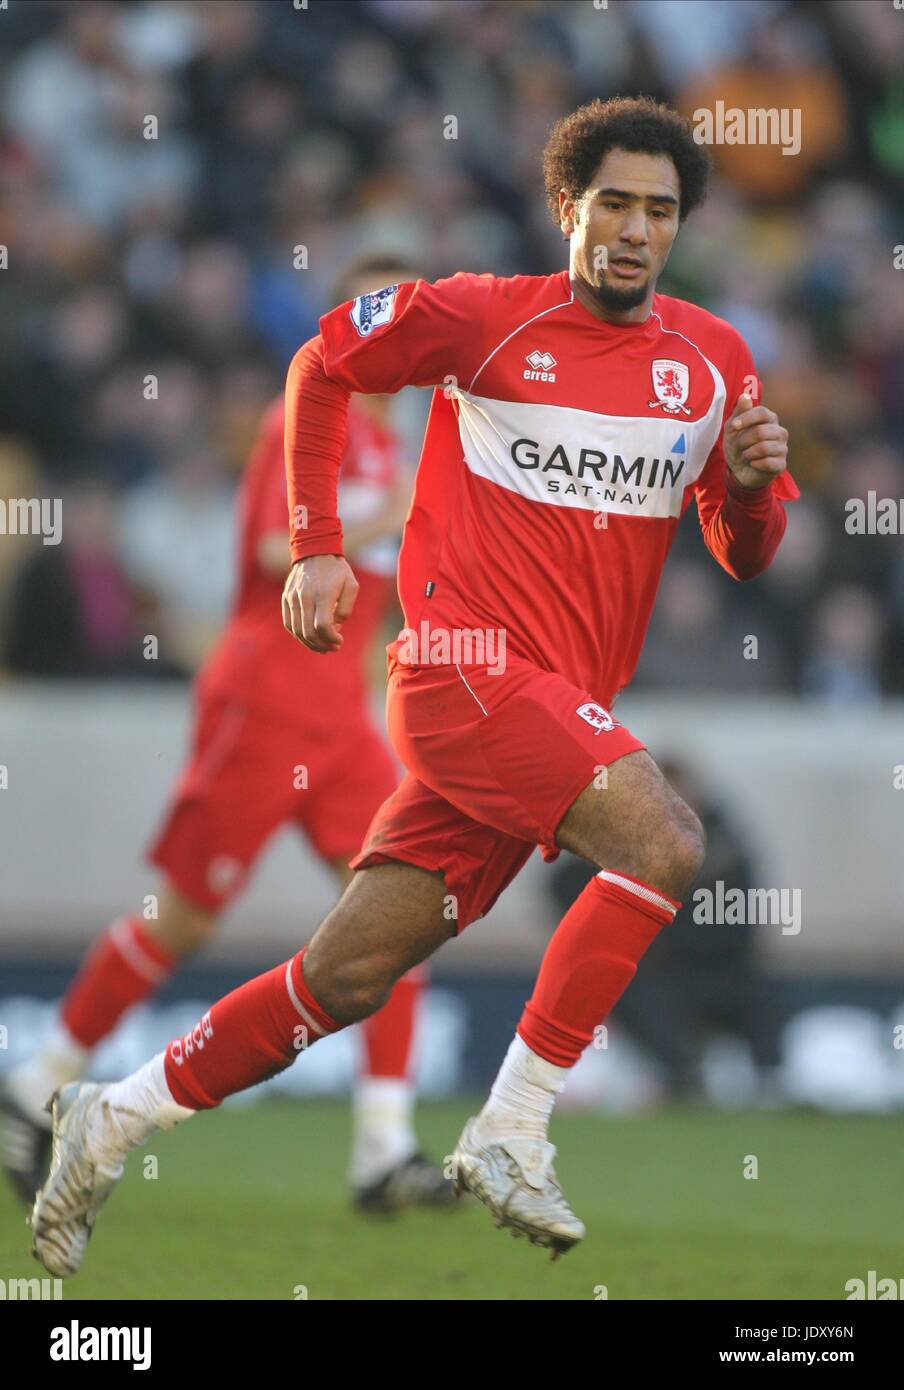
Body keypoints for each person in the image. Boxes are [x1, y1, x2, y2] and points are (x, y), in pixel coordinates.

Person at [29, 96, 798, 1277]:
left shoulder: (712, 362)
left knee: (340, 977)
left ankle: (111, 1115)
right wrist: (320, 538)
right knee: (665, 840)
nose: (636, 230)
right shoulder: (484, 319)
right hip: (461, 673)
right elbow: (323, 360)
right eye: (614, 204)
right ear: (566, 209)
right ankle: (513, 1124)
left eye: (659, 209)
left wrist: (748, 488)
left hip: (542, 715)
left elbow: (747, 550)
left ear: (680, 224)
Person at [7, 257, 453, 1216]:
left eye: (405, 325)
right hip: (264, 699)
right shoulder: (307, 419)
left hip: (338, 717)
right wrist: (398, 508)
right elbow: (266, 552)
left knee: (401, 914)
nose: (392, 343)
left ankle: (383, 1148)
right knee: (186, 917)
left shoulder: (390, 445)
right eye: (373, 319)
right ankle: (32, 1083)